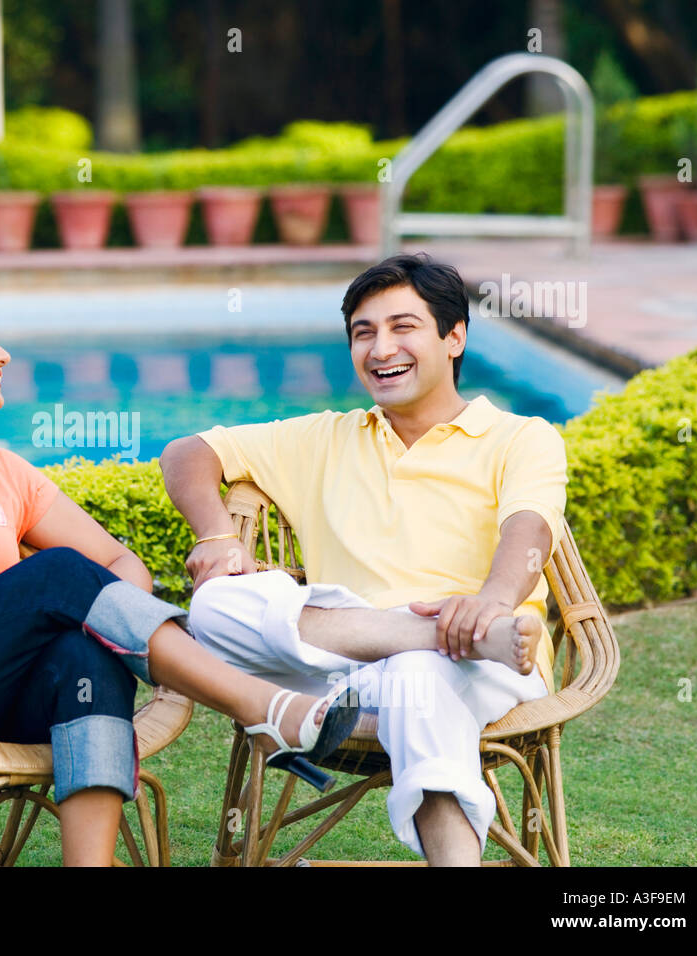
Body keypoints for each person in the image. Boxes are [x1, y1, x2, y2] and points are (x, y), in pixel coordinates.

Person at [0, 291, 362, 867]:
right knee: (55, 577)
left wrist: (80, 618)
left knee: (83, 656)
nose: (3, 354)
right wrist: (11, 607)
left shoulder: (4, 471)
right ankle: (257, 704)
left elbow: (123, 566)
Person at [160, 253, 567, 866]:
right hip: (346, 671)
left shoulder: (521, 436)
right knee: (214, 605)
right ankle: (423, 633)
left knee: (416, 676)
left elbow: (529, 529)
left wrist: (492, 605)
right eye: (363, 332)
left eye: (403, 327)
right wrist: (217, 534)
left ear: (454, 337)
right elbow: (187, 452)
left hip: (488, 664)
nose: (381, 349)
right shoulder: (324, 436)